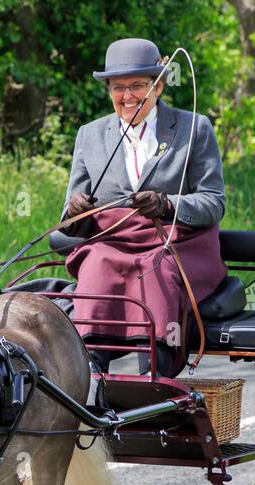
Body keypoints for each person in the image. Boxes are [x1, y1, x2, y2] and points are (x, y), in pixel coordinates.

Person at [60, 37, 227, 378]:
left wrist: (167, 204)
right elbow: (70, 216)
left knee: (155, 270)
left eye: (138, 86)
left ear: (159, 85)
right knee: (98, 265)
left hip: (174, 242)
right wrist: (74, 211)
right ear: (108, 90)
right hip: (112, 242)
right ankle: (91, 380)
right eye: (118, 87)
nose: (128, 96)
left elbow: (213, 201)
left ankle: (155, 377)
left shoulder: (194, 128)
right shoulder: (89, 136)